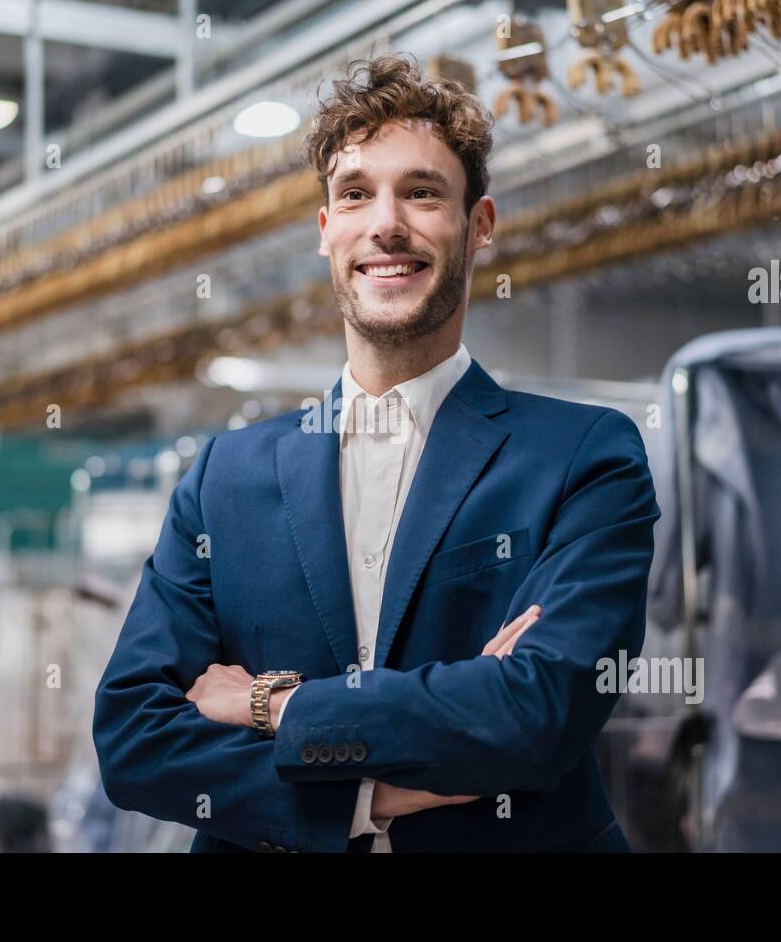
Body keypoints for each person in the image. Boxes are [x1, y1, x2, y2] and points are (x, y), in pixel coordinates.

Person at [93, 54, 659, 852]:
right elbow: (133, 739)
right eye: (355, 194)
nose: (385, 223)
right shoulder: (227, 478)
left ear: (480, 225)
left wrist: (270, 705)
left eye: (422, 192)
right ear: (328, 233)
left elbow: (537, 711)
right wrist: (371, 799)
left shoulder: (583, 458)